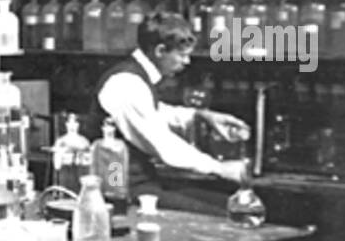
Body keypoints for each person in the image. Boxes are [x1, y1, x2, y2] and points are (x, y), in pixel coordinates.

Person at [81, 11, 250, 210]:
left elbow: (157, 112)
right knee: (223, 215)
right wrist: (219, 168)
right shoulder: (126, 83)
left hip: (140, 182)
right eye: (182, 55)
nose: (187, 62)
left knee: (226, 205)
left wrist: (202, 116)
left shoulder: (137, 77)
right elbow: (161, 142)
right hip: (117, 189)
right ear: (160, 51)